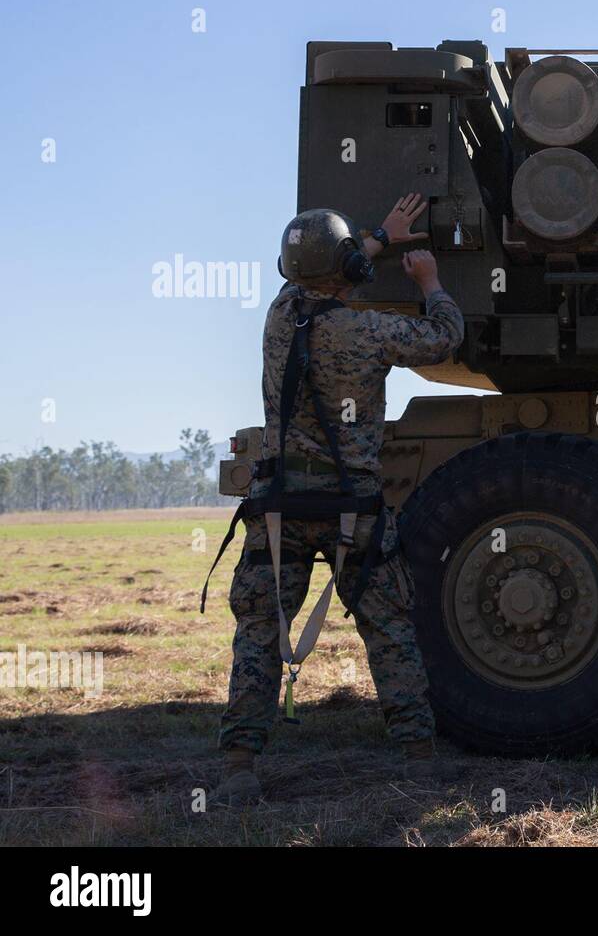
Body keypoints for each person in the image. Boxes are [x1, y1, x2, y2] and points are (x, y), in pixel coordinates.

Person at [205, 194, 464, 804]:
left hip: (278, 505)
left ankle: (239, 767)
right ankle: (418, 759)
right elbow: (444, 337)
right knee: (388, 628)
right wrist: (429, 281)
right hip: (353, 508)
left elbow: (314, 275)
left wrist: (378, 236)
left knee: (260, 633)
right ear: (347, 267)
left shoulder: (279, 316)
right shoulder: (370, 331)